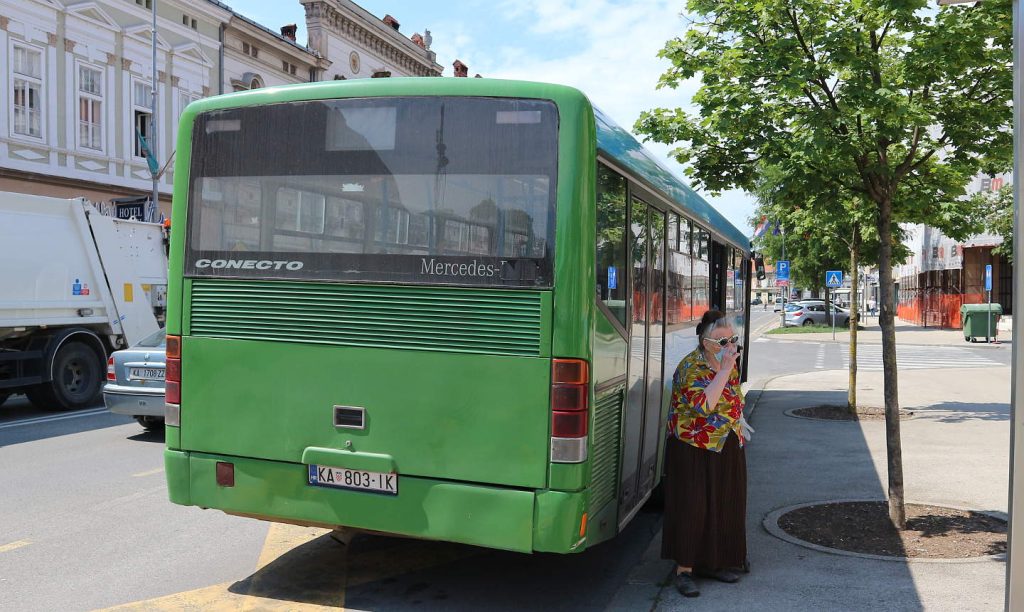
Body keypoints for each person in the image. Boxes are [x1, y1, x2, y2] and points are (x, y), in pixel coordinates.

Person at [663, 310, 751, 598]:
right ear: (705, 341)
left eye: (733, 339)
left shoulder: (728, 364)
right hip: (692, 447)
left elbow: (733, 397)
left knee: (725, 502)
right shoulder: (691, 368)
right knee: (693, 507)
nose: (729, 346)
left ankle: (716, 562)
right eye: (722, 340)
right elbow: (703, 405)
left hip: (725, 443)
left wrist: (740, 424)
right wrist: (724, 371)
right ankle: (684, 570)